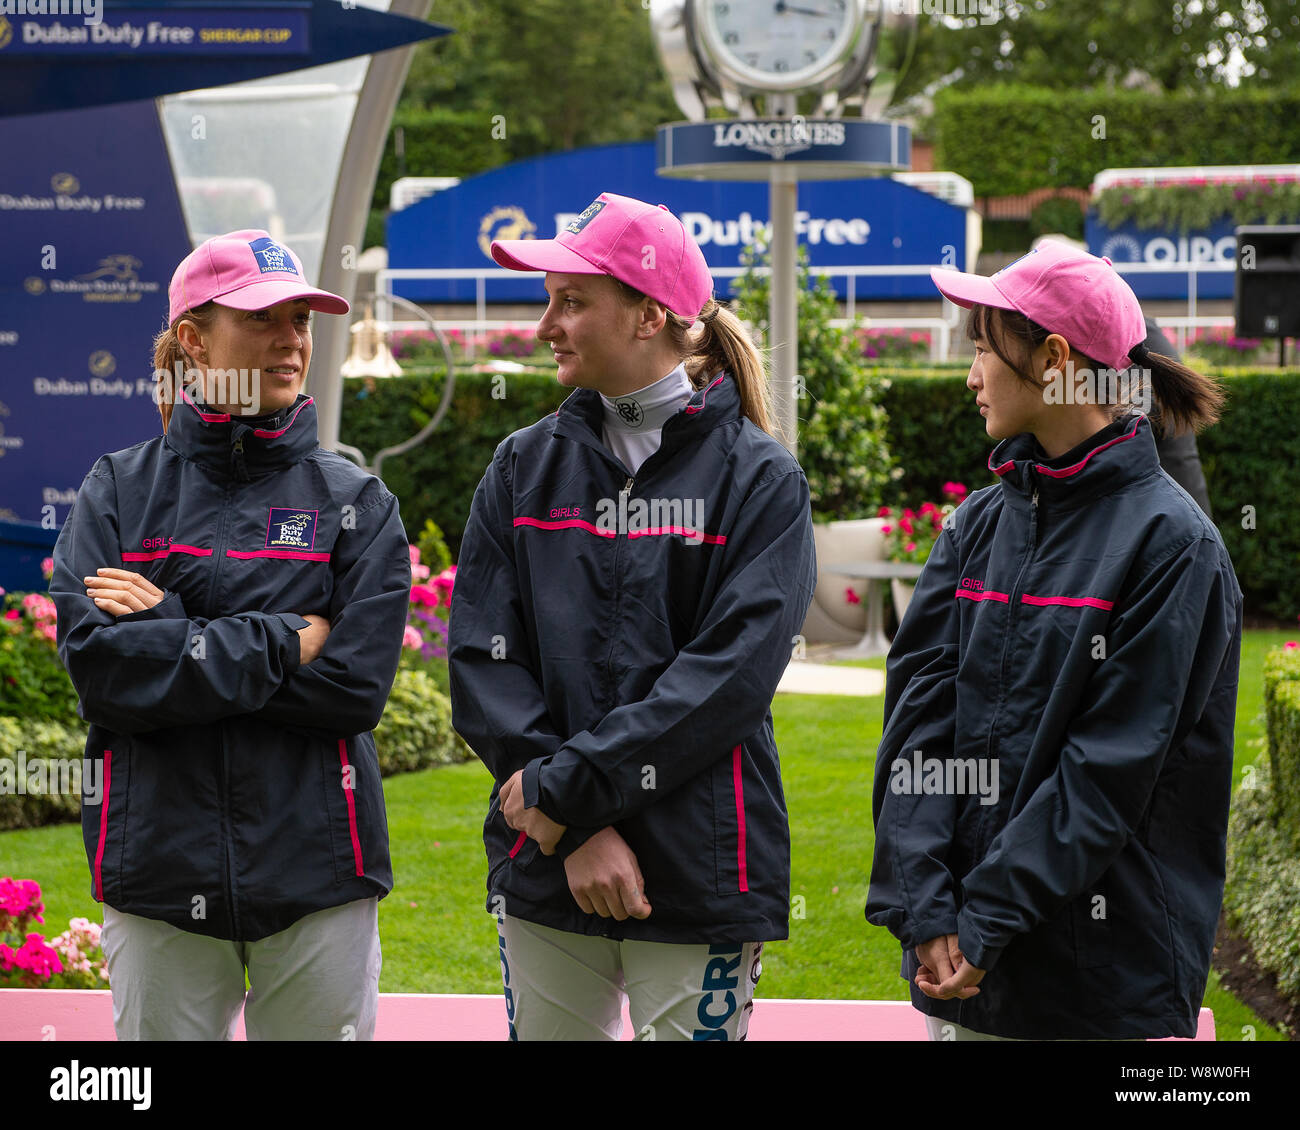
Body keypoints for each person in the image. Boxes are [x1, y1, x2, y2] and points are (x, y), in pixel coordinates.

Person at [447, 191, 817, 1041]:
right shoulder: (521, 467)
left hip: (697, 869)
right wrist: (571, 828)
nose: (547, 324)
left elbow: (727, 680)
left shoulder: (760, 479)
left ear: (650, 313)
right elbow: (482, 662)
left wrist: (563, 796)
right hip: (545, 858)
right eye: (549, 300)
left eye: (571, 301)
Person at [865, 240, 1243, 1040]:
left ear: (1056, 357)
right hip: (961, 971)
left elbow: (1106, 772)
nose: (970, 376)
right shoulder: (974, 527)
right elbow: (919, 727)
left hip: (1101, 993)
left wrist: (984, 921)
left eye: (980, 349)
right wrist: (926, 906)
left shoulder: (1176, 547)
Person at [50, 229, 412, 1040]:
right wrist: (284, 639)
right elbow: (102, 675)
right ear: (193, 339)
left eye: (300, 321)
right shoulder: (117, 490)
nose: (290, 340)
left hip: (320, 878)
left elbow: (354, 691)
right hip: (156, 877)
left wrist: (173, 638)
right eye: (263, 319)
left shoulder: (356, 499)